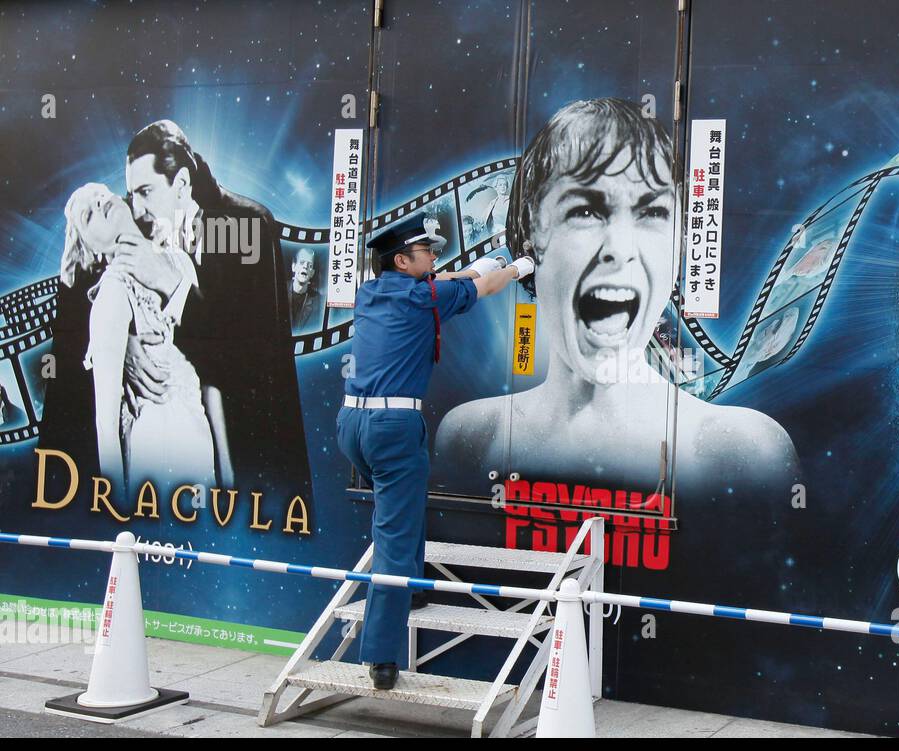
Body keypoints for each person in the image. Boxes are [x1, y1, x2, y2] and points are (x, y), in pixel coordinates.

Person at [435, 98, 799, 497]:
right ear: (530, 236)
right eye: (586, 212)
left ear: (678, 246)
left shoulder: (740, 450)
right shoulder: (472, 436)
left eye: (652, 213)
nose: (620, 248)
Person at [337, 213, 529, 690]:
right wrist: (519, 266)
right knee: (395, 538)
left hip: (352, 425)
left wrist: (481, 263)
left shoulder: (374, 292)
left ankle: (413, 590)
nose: (434, 260)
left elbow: (451, 280)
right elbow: (484, 287)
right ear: (402, 261)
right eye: (426, 253)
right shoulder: (425, 296)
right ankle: (382, 656)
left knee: (400, 509)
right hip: (392, 428)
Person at [119, 120, 309, 492]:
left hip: (243, 459)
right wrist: (123, 344)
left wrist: (173, 286)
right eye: (131, 196)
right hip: (160, 449)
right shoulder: (135, 230)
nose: (137, 209)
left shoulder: (247, 222)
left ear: (183, 184)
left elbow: (251, 354)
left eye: (145, 192)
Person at [61, 183, 221, 490]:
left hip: (199, 441)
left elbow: (210, 363)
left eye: (101, 195)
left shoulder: (179, 261)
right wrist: (115, 506)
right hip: (154, 452)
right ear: (91, 248)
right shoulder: (112, 293)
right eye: (88, 214)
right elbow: (105, 425)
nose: (99, 203)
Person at [287, 248, 323, 332]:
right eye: (302, 262)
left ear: (312, 273)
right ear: (293, 266)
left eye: (309, 265)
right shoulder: (278, 291)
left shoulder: (319, 301)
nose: (305, 267)